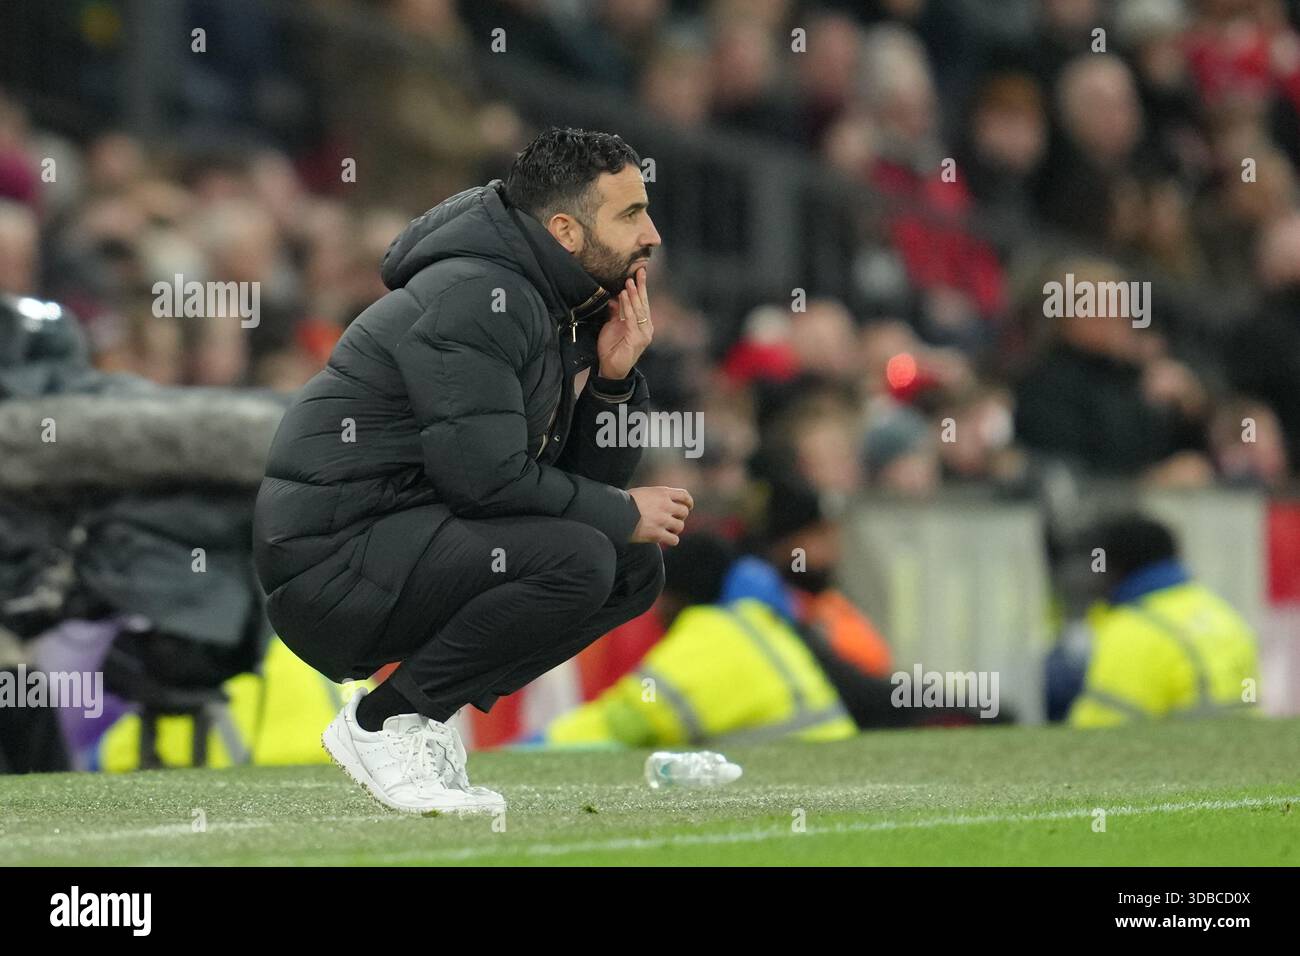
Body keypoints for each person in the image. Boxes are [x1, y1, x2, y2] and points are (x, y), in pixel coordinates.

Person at [253, 127, 692, 814]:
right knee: (582, 553)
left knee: (630, 566)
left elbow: (573, 486)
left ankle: (418, 717)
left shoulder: (556, 302)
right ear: (567, 231)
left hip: (402, 539)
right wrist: (622, 511)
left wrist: (612, 378)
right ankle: (383, 725)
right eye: (632, 214)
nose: (653, 234)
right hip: (331, 561)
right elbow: (485, 481)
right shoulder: (482, 294)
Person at [1067, 514, 1259, 728]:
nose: (1091, 573)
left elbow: (1101, 728)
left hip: (1181, 753)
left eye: (1097, 562)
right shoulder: (1221, 612)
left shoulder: (1131, 630)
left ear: (1117, 565)